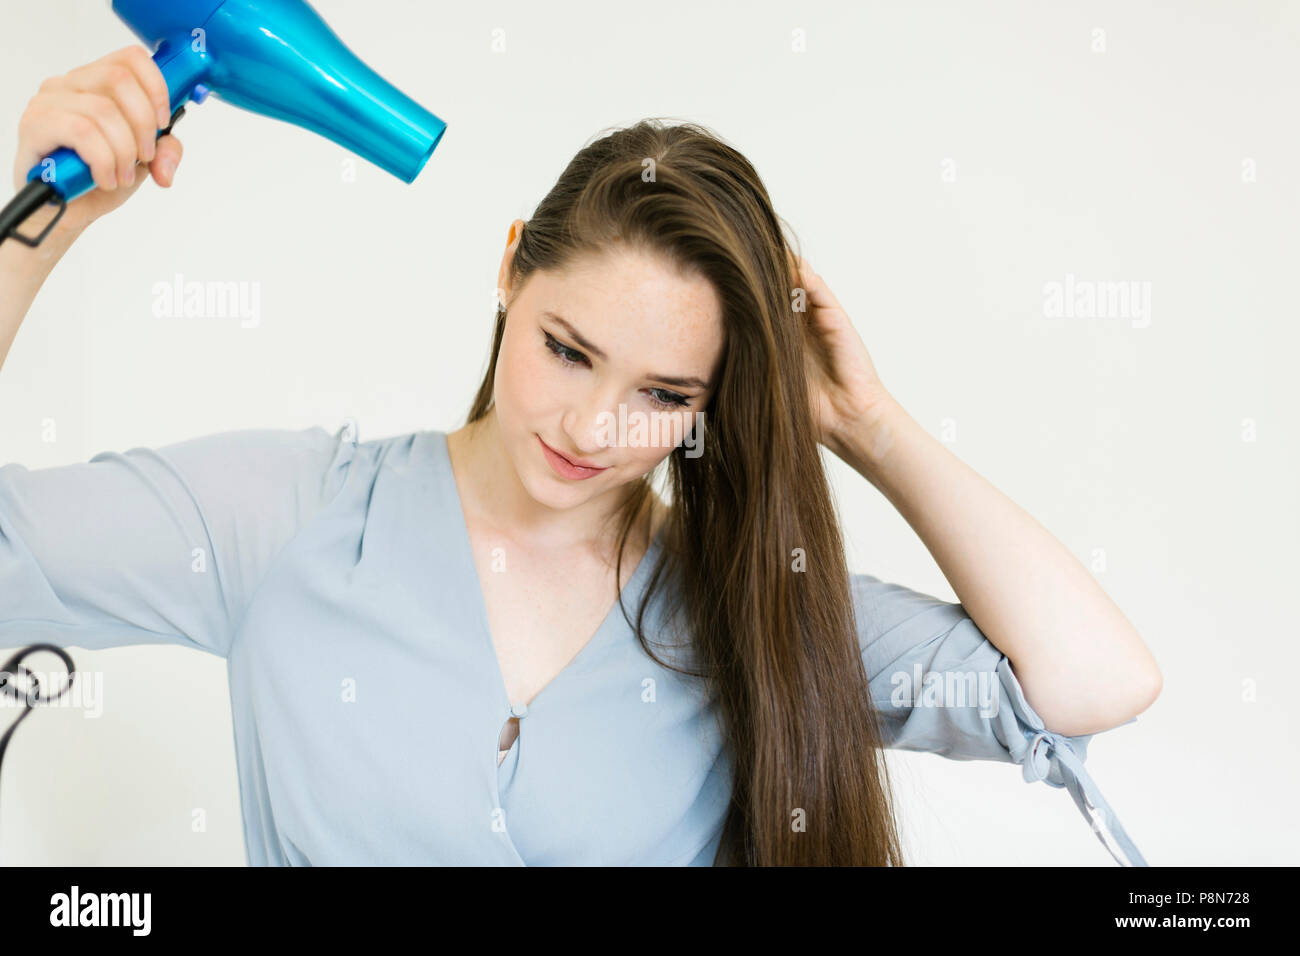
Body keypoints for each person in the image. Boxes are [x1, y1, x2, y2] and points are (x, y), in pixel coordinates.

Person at [0, 46, 1161, 866]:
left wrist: (868, 427)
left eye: (664, 394)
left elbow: (1091, 681)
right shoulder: (282, 518)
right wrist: (42, 226)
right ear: (512, 270)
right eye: (566, 349)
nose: (594, 429)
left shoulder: (749, 605)